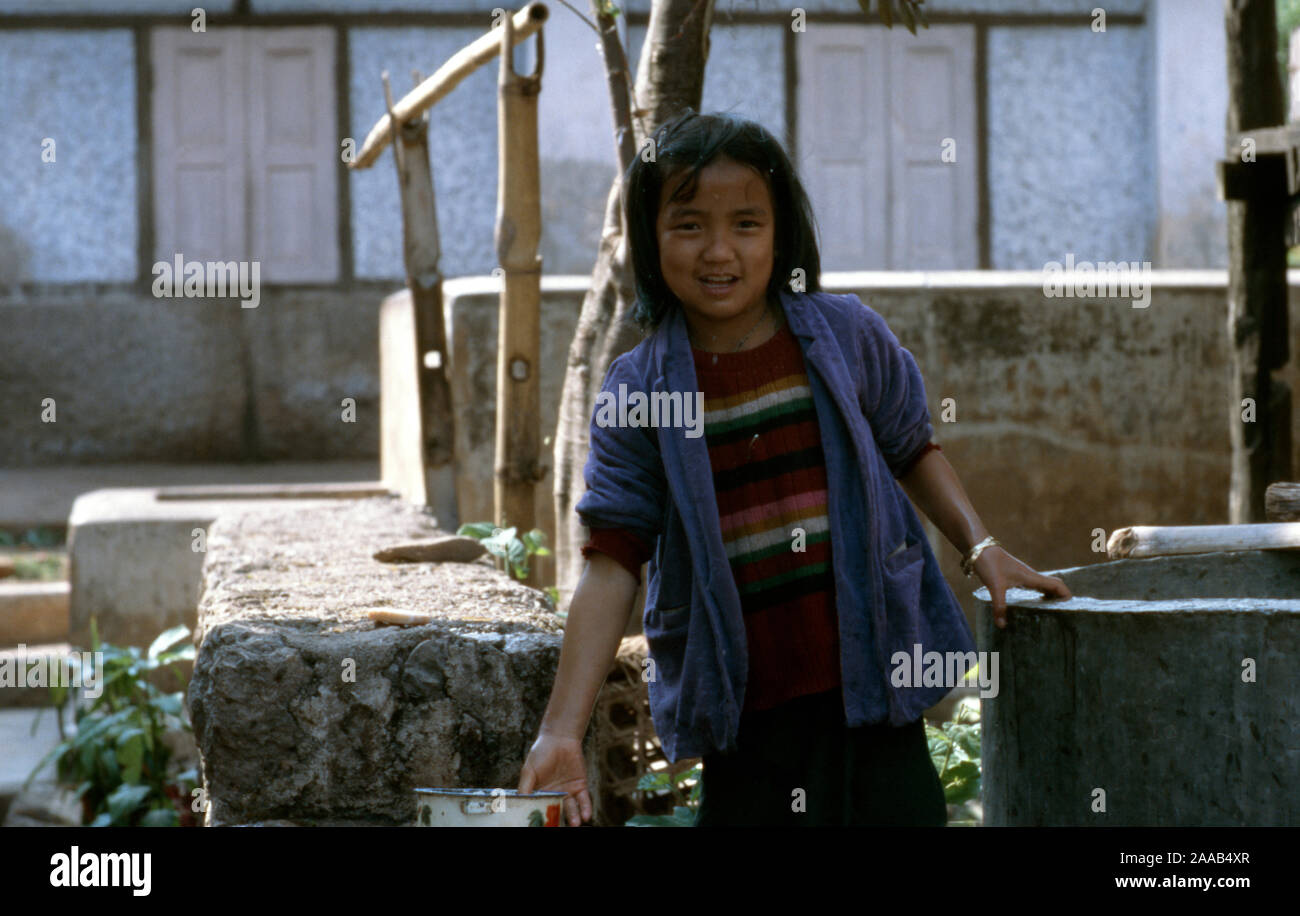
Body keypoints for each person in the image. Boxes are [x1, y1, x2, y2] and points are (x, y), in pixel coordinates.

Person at [517, 110, 1071, 827]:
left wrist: (983, 547)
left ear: (782, 236)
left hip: (877, 697)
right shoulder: (640, 392)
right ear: (650, 242)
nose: (720, 251)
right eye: (689, 225)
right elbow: (613, 558)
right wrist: (561, 728)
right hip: (746, 722)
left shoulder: (846, 337)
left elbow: (913, 447)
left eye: (746, 224)